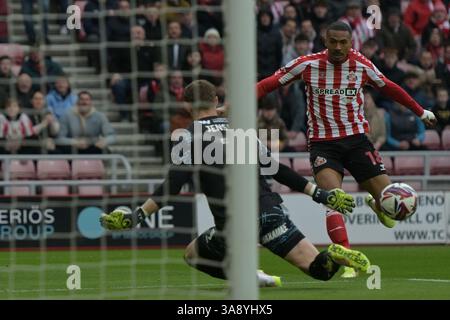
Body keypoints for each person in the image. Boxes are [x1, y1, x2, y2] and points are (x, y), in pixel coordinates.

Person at [100, 80, 370, 287]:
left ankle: (246, 276)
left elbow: (174, 183)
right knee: (319, 270)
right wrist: (319, 194)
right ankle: (334, 255)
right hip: (271, 213)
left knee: (192, 254)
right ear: (216, 100)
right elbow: (276, 169)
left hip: (233, 226)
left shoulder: (188, 136)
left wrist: (139, 214)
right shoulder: (240, 129)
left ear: (185, 106)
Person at [257, 21, 437, 278]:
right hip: (323, 145)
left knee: (391, 203)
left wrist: (420, 112)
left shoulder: (361, 65)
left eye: (344, 42)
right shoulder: (307, 65)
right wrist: (235, 105)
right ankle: (346, 256)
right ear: (325, 41)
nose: (339, 47)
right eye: (334, 42)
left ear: (351, 42)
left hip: (357, 141)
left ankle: (378, 204)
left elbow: (390, 88)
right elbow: (267, 84)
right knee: (333, 199)